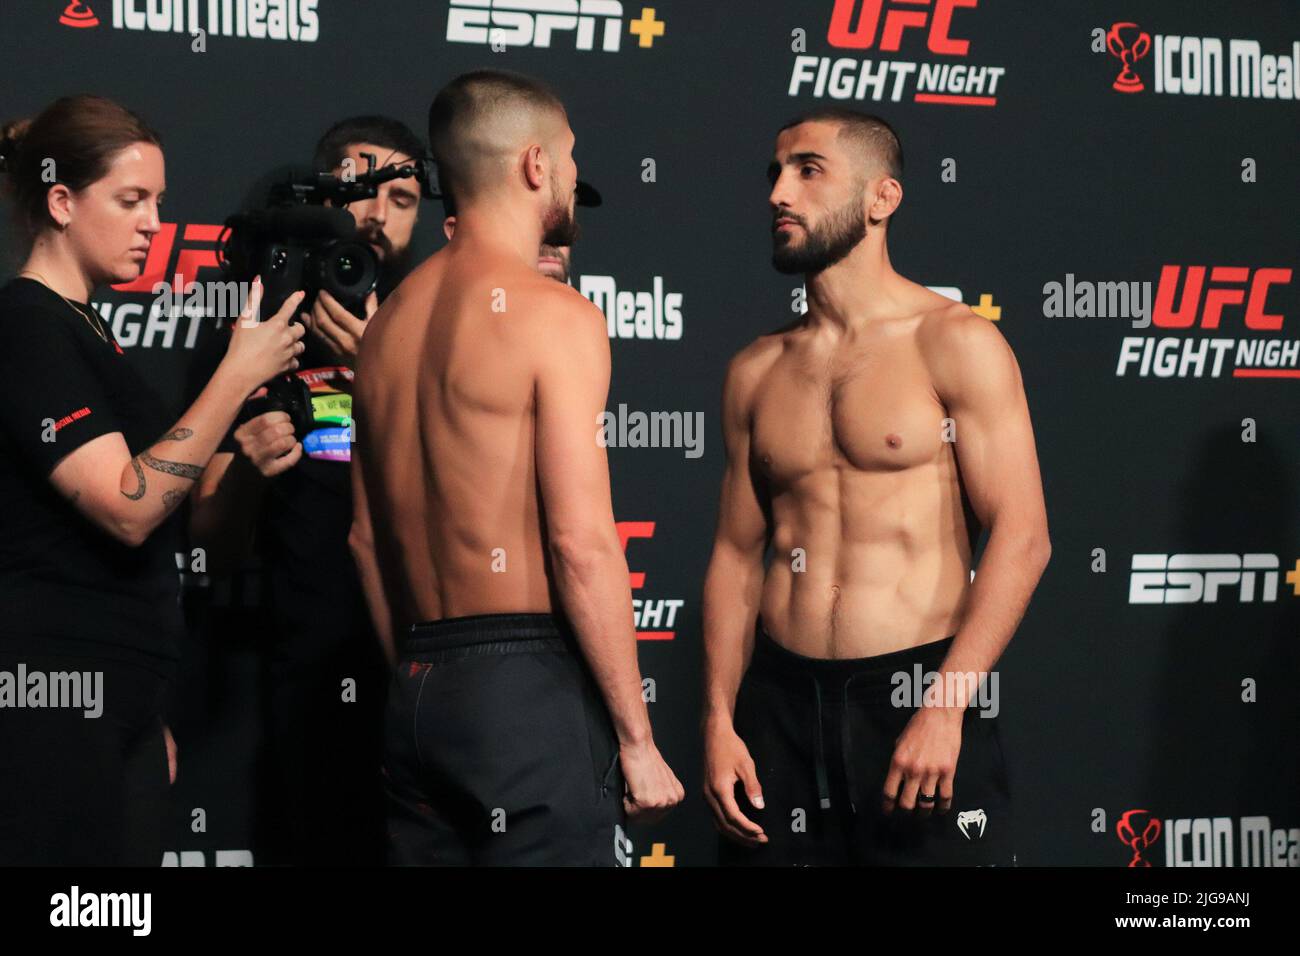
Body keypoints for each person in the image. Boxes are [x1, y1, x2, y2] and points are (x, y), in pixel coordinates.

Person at [701, 108, 1051, 866]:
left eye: (807, 170)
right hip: (780, 712)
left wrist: (946, 707)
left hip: (915, 697)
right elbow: (735, 557)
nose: (778, 193)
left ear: (881, 199)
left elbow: (1023, 537)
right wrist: (720, 721)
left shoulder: (955, 341)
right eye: (774, 173)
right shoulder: (755, 371)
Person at [351, 69, 683, 865]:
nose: (573, 175)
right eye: (570, 158)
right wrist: (636, 739)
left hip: (417, 685)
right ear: (536, 164)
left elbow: (364, 542)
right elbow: (580, 542)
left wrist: (420, 676)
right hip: (522, 693)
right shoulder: (553, 315)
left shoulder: (385, 331)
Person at [0, 94, 303, 865]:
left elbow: (177, 520)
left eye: (159, 201)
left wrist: (244, 472)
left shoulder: (88, 330)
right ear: (62, 201)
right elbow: (128, 506)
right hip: (54, 694)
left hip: (122, 697)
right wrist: (235, 375)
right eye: (131, 200)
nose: (153, 223)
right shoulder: (26, 325)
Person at [187, 115, 426, 866]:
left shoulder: (439, 327)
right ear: (323, 195)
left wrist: (385, 380)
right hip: (305, 670)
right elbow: (209, 547)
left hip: (427, 666)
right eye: (359, 188)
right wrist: (251, 473)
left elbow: (471, 501)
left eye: (404, 196)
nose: (378, 214)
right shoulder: (261, 328)